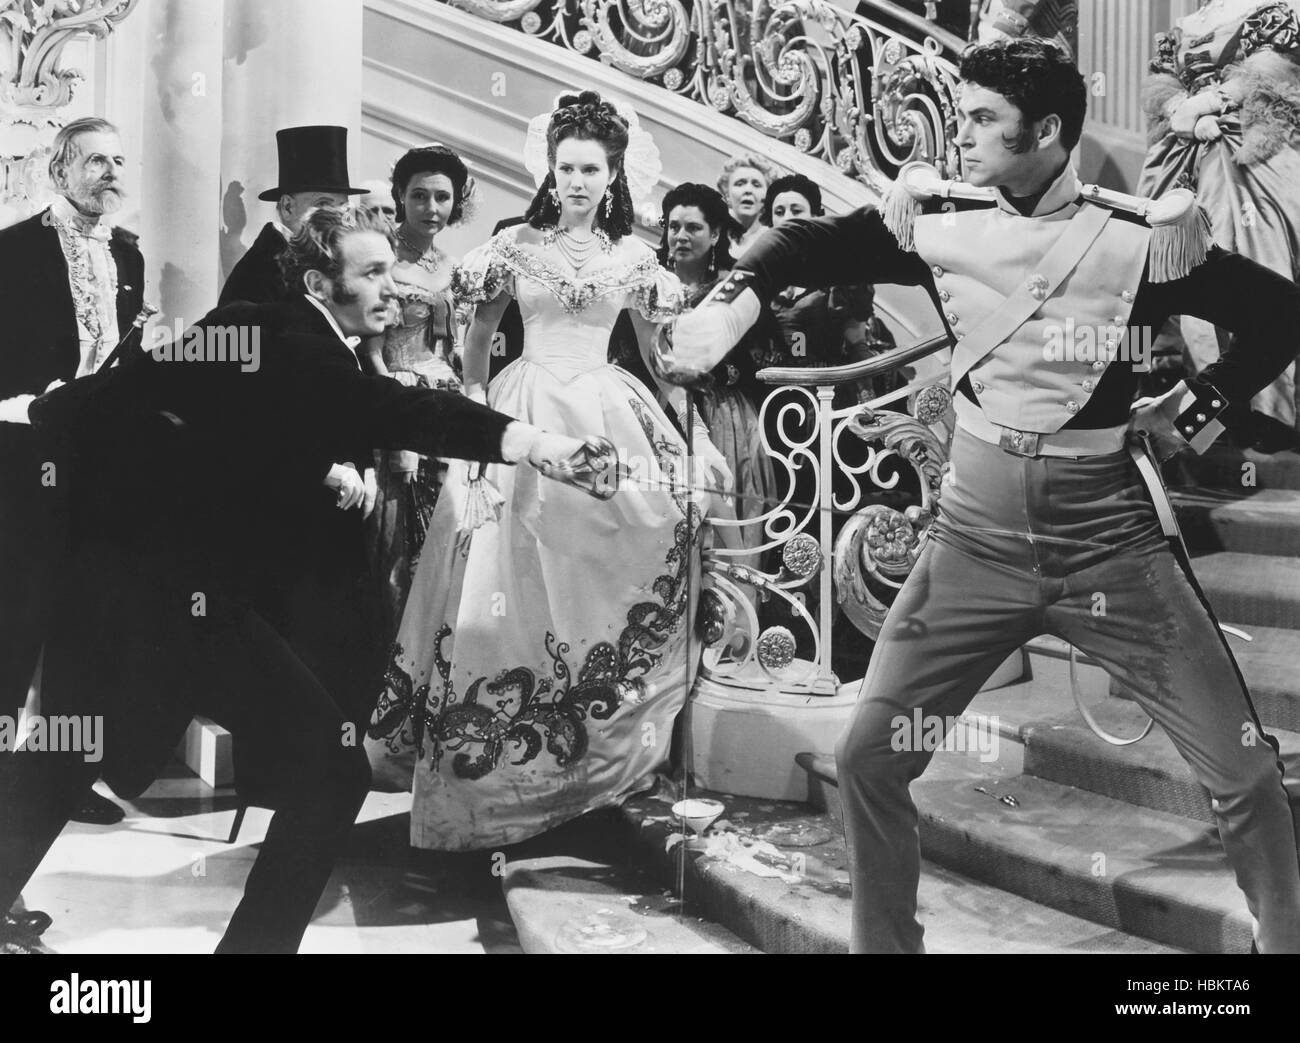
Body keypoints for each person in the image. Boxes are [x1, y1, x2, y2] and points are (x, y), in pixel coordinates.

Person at [666, 38, 1300, 954]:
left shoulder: (1142, 237)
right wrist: (730, 302)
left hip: (1111, 545)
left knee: (1243, 771)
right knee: (868, 758)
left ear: (1046, 131)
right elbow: (793, 241)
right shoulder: (941, 223)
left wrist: (1194, 409)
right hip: (972, 541)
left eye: (980, 120)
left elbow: (1279, 312)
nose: (955, 135)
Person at [0, 205, 599, 953]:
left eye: (391, 268)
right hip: (177, 601)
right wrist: (529, 439)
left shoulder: (258, 326)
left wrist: (45, 410)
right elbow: (397, 408)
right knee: (330, 772)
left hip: (133, 591)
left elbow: (139, 385)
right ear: (321, 280)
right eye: (372, 272)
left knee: (62, 760)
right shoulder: (302, 343)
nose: (393, 288)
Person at [366, 91, 730, 851]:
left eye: (589, 168)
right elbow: (478, 345)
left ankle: (592, 751)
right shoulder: (512, 249)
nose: (576, 180)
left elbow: (659, 360)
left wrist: (692, 431)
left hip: (606, 410)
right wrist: (472, 419)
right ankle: (491, 784)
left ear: (612, 173)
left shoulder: (634, 259)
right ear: (551, 170)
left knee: (602, 564)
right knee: (507, 583)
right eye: (565, 166)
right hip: (525, 411)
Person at [0, 115, 145, 863]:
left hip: (100, 473)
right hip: (24, 462)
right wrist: (37, 401)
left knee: (80, 628)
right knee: (14, 629)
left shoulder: (128, 253)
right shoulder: (13, 250)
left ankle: (52, 775)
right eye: (95, 160)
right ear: (59, 170)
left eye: (120, 160)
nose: (111, 172)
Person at [1139, 0, 1300, 437]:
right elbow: (1163, 79)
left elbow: (1273, 69)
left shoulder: (1269, 9)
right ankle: (1151, 392)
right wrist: (1179, 110)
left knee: (1262, 275)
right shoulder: (1188, 22)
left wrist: (1211, 102)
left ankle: (1258, 410)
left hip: (1246, 148)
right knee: (1142, 267)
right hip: (1180, 156)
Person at [360, 145, 471, 644]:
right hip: (398, 396)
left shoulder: (452, 265)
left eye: (442, 197)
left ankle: (430, 652)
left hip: (443, 401)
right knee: (396, 538)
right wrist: (392, 420)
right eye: (419, 196)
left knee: (442, 533)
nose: (431, 208)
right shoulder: (381, 260)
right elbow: (373, 351)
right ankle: (388, 656)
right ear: (400, 198)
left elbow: (454, 349)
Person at [658, 181, 777, 553]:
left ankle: (735, 604)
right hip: (661, 411)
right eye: (673, 226)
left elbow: (765, 357)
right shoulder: (650, 285)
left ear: (715, 236)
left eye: (693, 228)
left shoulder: (735, 290)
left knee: (726, 531)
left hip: (726, 417)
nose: (680, 235)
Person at [218, 125, 365, 306]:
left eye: (343, 207)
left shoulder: (312, 259)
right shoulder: (263, 270)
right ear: (288, 207)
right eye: (323, 205)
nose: (336, 220)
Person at [717, 152, 781, 257]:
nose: (748, 190)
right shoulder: (712, 234)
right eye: (740, 184)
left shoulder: (775, 243)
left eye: (756, 185)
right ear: (727, 194)